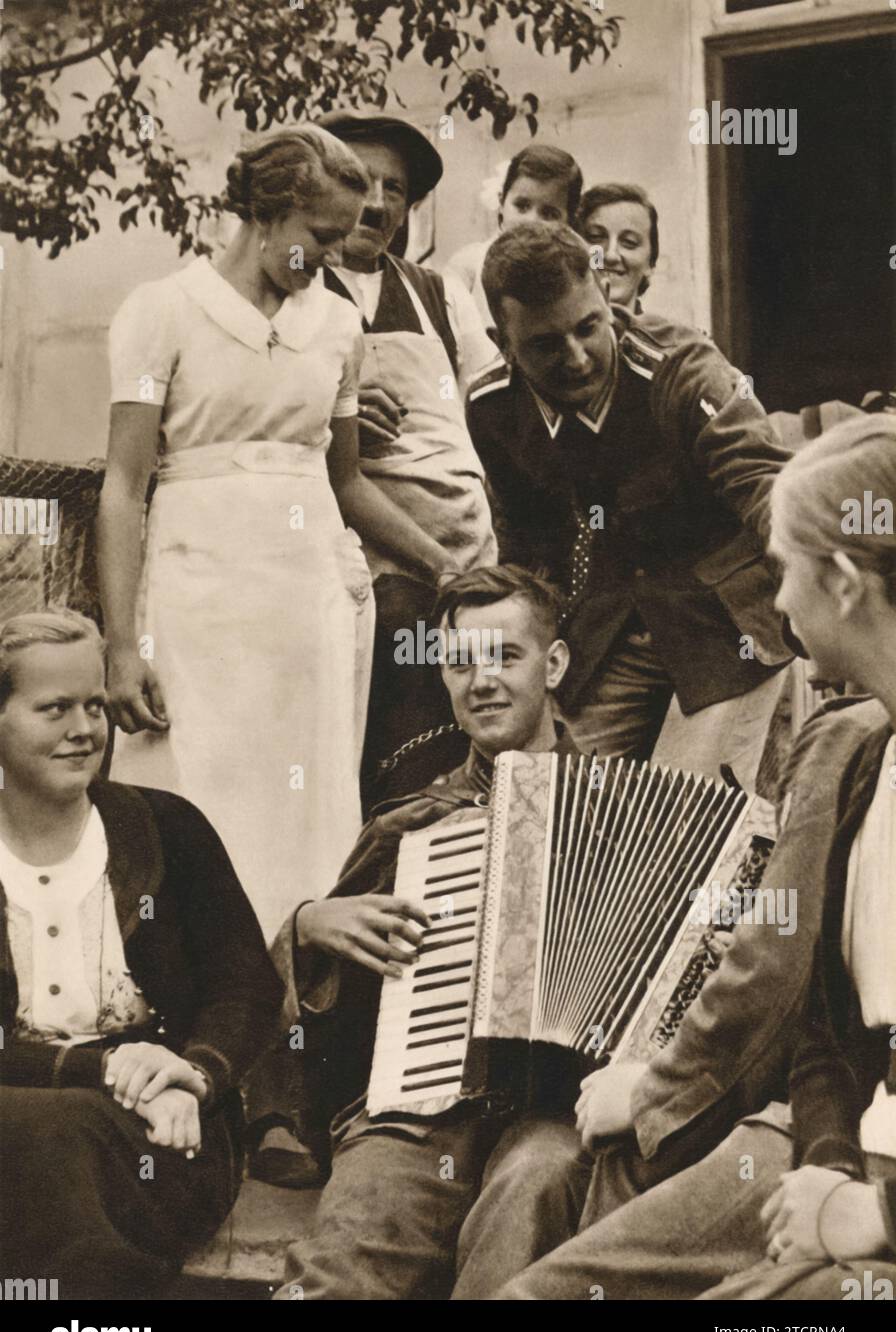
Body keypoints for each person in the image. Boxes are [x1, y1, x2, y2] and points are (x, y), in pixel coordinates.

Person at [491, 415, 896, 1300]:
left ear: (842, 581)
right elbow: (829, 1036)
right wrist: (831, 1177)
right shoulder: (866, 759)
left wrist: (878, 1215)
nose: (776, 602)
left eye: (782, 569)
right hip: (851, 1162)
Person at [98, 127, 460, 945]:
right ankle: (205, 1007)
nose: (331, 256)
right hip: (199, 591)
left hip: (309, 598)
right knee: (201, 791)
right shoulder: (161, 312)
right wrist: (122, 644)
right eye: (320, 237)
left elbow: (347, 481)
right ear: (267, 214)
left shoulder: (334, 327)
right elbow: (123, 486)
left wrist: (446, 566)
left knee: (309, 805)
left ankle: (309, 1009)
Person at [265, 565, 593, 1299]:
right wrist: (311, 927)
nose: (481, 681)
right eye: (459, 663)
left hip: (559, 1113)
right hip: (419, 1112)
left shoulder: (632, 810)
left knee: (533, 1192)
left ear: (556, 664)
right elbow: (315, 1017)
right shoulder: (411, 824)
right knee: (343, 1256)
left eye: (505, 657)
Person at [0, 610, 283, 1300]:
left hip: (167, 1128)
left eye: (95, 705)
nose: (84, 729)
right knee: (48, 1131)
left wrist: (192, 1073)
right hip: (23, 1117)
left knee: (61, 1141)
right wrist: (102, 1067)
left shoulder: (166, 827)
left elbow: (244, 985)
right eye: (54, 709)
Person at [467, 222, 796, 791]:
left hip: (726, 626)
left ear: (608, 301)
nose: (576, 358)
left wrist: (822, 604)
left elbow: (765, 486)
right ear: (503, 343)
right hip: (607, 627)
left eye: (588, 327)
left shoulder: (683, 367)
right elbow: (524, 542)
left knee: (687, 814)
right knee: (551, 801)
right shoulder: (493, 407)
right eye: (545, 343)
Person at [314, 112, 499, 811]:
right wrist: (343, 412)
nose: (380, 204)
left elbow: (491, 409)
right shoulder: (299, 295)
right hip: (373, 568)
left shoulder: (436, 293)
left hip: (466, 556)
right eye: (362, 182)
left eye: (397, 189)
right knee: (397, 746)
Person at [445, 144, 584, 330]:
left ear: (568, 222)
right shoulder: (468, 265)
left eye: (549, 214)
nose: (531, 222)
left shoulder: (570, 274)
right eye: (522, 206)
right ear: (502, 202)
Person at [576, 182, 658, 314]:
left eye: (629, 242)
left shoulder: (676, 334)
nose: (610, 255)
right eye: (596, 237)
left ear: (651, 263)